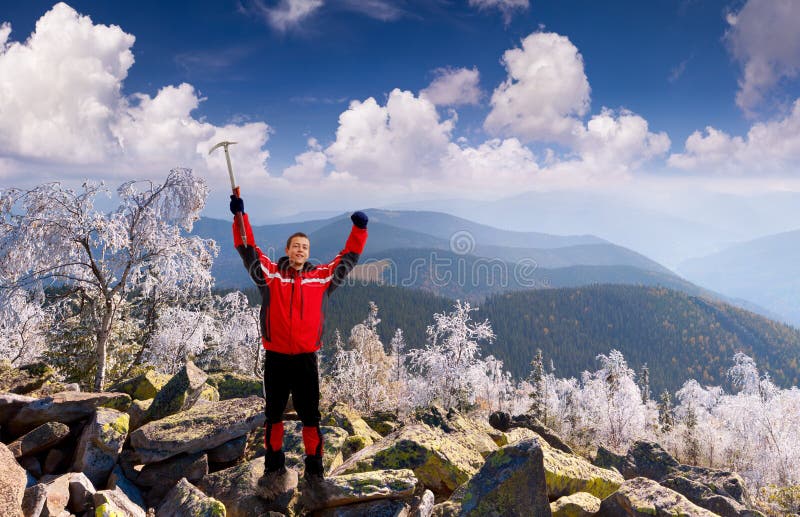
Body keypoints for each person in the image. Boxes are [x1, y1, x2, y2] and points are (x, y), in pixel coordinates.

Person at [230, 195, 368, 498]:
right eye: (296, 246)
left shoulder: (321, 279)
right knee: (274, 416)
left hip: (306, 360)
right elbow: (247, 250)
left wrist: (359, 231)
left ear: (308, 253)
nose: (300, 250)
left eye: (304, 247)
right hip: (276, 358)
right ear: (287, 250)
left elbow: (347, 259)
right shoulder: (270, 276)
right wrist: (240, 216)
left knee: (310, 418)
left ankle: (314, 475)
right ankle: (273, 472)